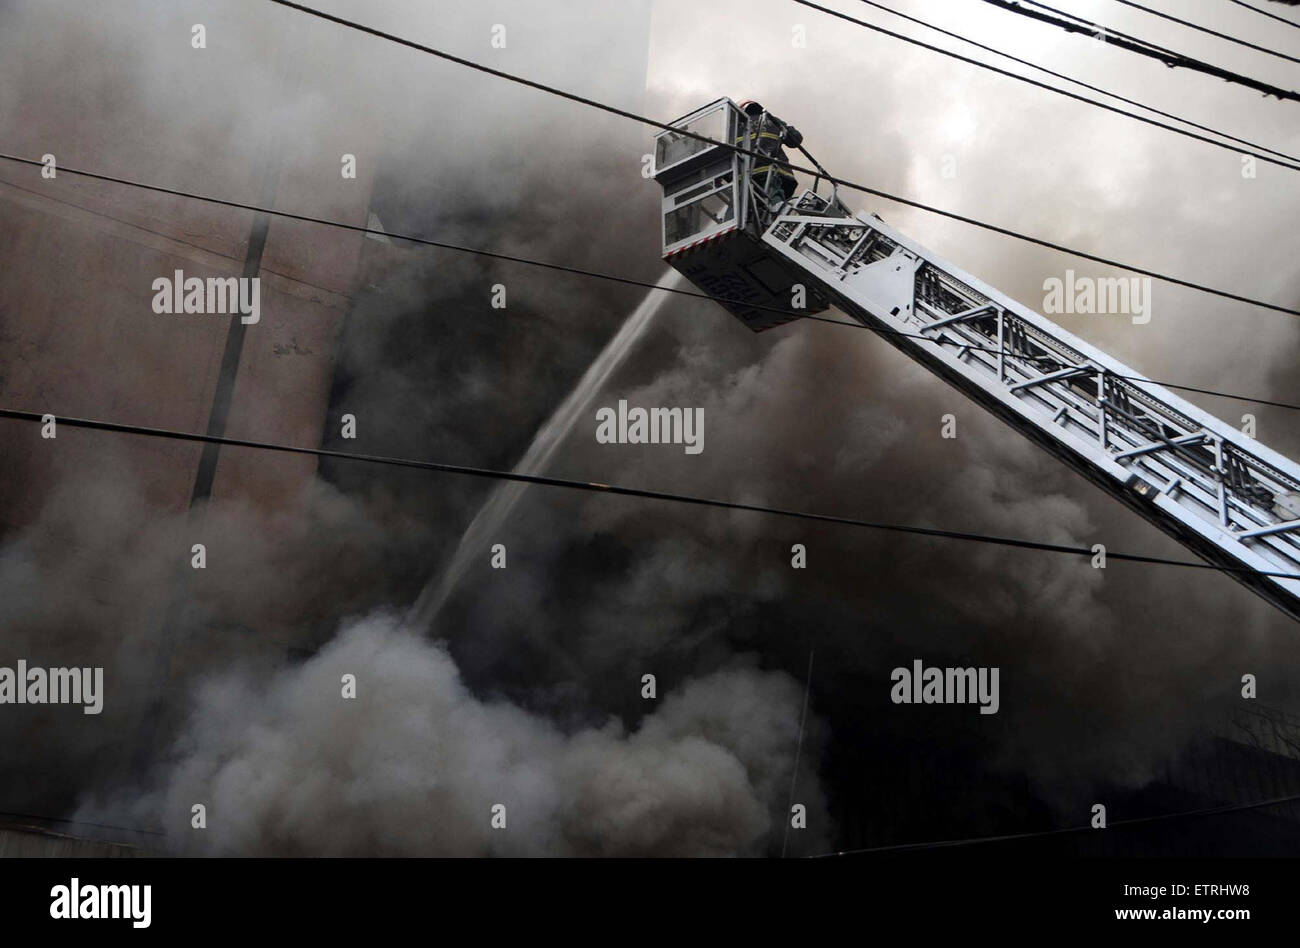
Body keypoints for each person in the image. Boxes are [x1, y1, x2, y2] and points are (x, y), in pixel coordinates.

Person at [737, 100, 803, 205]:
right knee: (775, 202)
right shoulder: (772, 120)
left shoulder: (735, 128)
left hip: (745, 175)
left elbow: (726, 155)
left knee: (740, 206)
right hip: (776, 171)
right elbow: (795, 140)